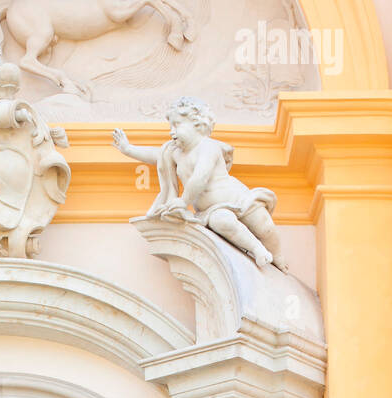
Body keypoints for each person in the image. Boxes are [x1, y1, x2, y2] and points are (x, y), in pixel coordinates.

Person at [113, 96, 287, 270]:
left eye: (177, 125)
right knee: (223, 223)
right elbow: (155, 155)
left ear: (198, 124)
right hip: (210, 210)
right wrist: (129, 149)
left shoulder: (208, 147)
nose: (171, 132)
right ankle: (257, 249)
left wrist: (183, 201)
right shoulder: (175, 153)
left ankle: (277, 255)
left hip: (237, 198)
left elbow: (200, 177)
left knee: (264, 227)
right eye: (170, 126)